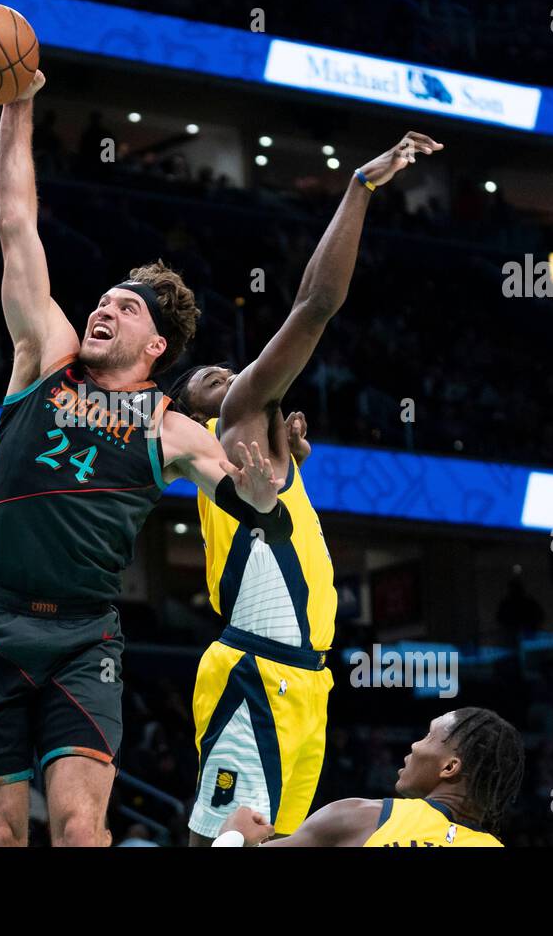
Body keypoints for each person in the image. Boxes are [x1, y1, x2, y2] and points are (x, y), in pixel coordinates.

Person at [0, 67, 292, 848]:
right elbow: (14, 220)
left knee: (78, 827)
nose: (104, 308)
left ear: (155, 346)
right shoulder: (46, 354)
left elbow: (244, 493)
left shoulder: (172, 428)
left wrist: (266, 481)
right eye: (104, 299)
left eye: (125, 308)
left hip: (83, 639)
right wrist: (19, 99)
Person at [171, 131, 443, 844]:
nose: (226, 376)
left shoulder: (269, 454)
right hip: (256, 669)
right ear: (198, 414)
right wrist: (360, 184)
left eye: (229, 370)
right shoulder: (235, 418)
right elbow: (316, 303)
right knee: (228, 836)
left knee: (266, 841)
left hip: (305, 683)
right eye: (209, 379)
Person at [216, 708, 524, 847]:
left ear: (449, 768)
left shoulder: (360, 818)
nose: (415, 745)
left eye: (428, 736)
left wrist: (231, 837)